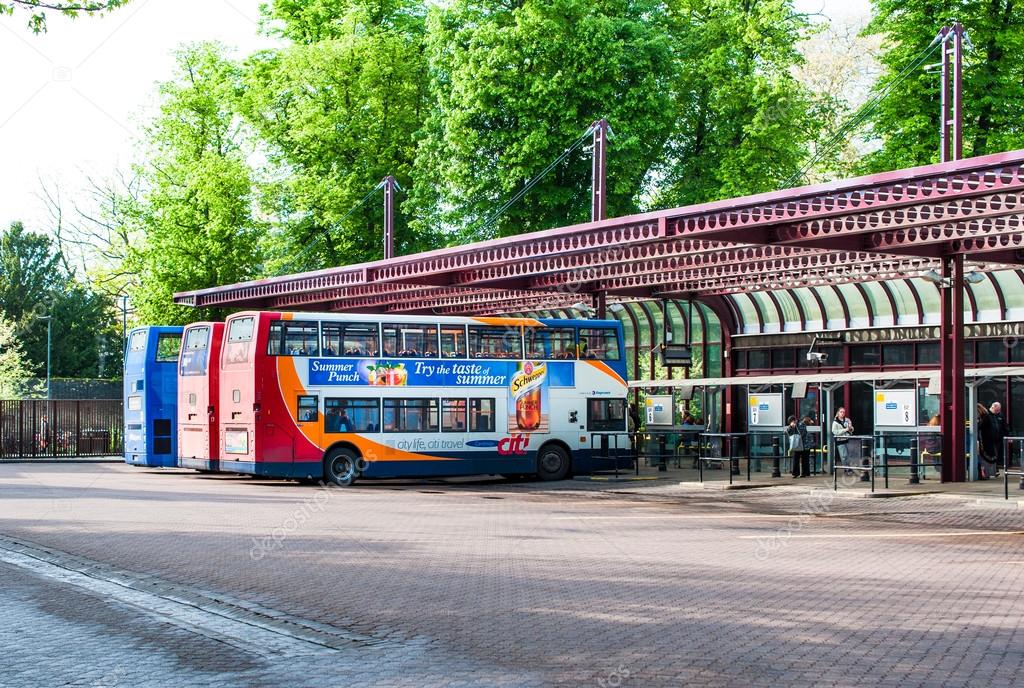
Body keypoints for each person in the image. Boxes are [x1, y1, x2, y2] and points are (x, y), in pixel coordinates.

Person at [988, 402, 1011, 474]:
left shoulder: (1000, 415)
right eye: (996, 410)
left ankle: (995, 469)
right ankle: (992, 470)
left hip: (998, 439)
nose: (998, 412)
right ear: (992, 407)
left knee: (996, 454)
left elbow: (1005, 426)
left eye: (999, 410)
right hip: (989, 439)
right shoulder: (987, 415)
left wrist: (1009, 436)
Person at [831, 407, 854, 474]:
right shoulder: (835, 422)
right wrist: (845, 430)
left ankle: (849, 468)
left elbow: (851, 429)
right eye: (841, 412)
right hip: (840, 440)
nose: (842, 413)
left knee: (849, 455)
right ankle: (847, 469)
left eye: (844, 412)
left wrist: (851, 428)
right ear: (838, 412)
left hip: (848, 439)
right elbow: (834, 432)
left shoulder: (847, 420)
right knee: (844, 456)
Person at [977, 403, 996, 479]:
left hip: (985, 439)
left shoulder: (985, 417)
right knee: (988, 455)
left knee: (985, 455)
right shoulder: (987, 416)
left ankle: (986, 473)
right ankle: (988, 473)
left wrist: (977, 423)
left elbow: (980, 426)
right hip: (988, 438)